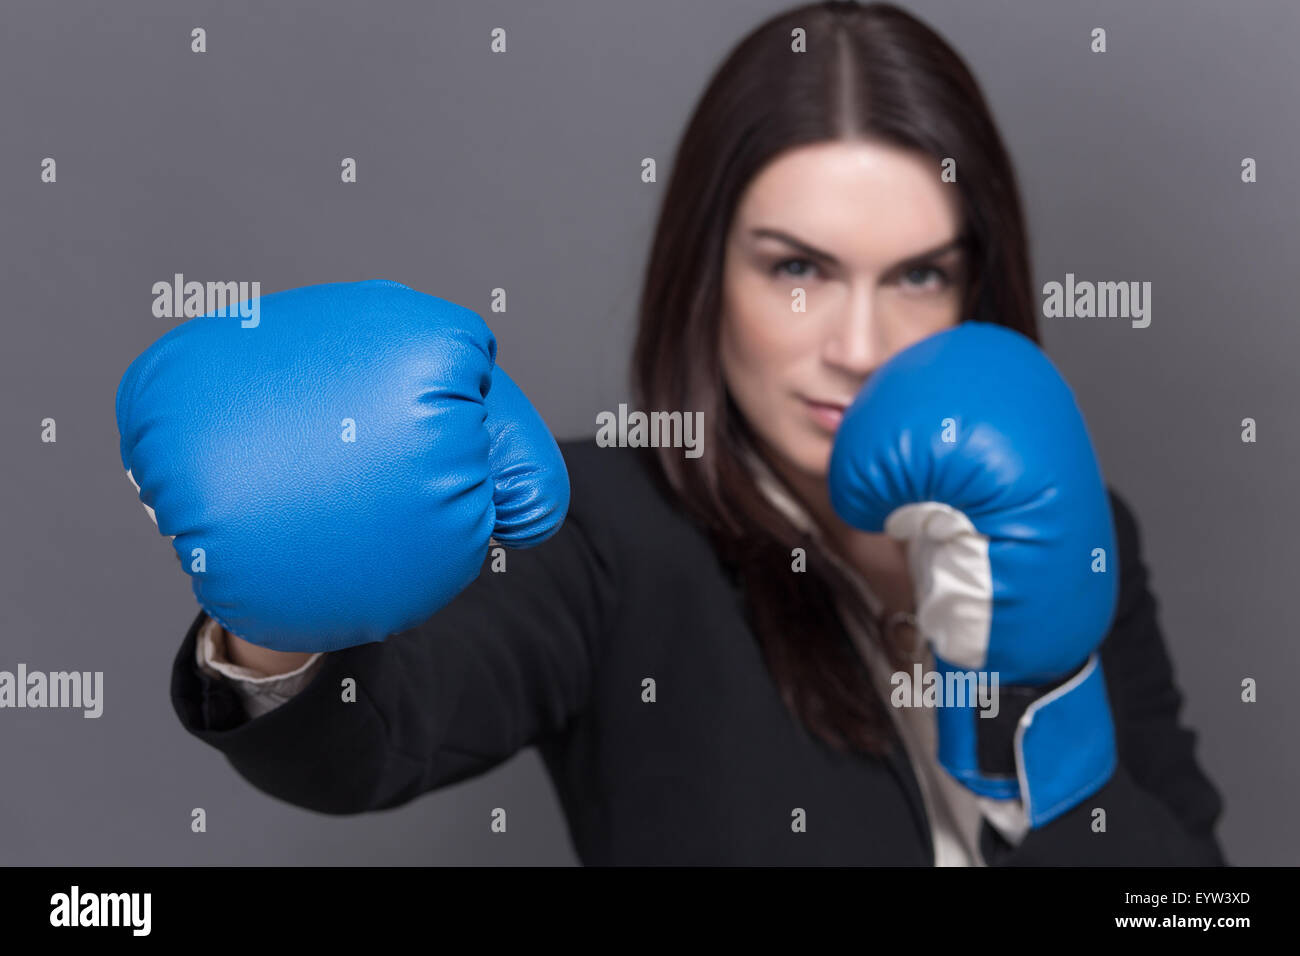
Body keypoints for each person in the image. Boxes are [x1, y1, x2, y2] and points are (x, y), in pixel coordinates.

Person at [116, 1, 1225, 865]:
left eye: (919, 273)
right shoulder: (608, 530)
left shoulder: (1080, 523)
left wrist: (1043, 717)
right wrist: (272, 623)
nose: (856, 341)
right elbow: (375, 740)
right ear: (708, 276)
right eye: (797, 267)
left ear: (978, 282)